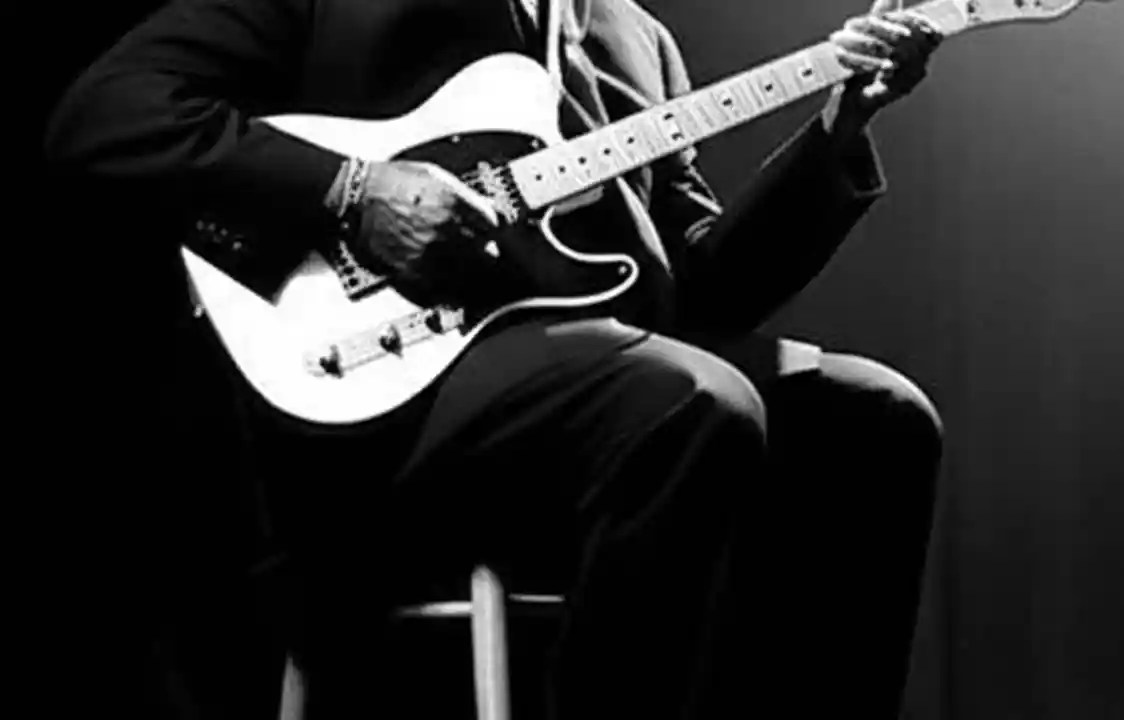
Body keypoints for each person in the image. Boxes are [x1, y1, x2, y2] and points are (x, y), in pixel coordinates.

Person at [44, 0, 945, 717]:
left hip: (615, 398)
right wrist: (356, 191)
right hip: (376, 404)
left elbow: (700, 298)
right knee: (691, 403)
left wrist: (837, 125)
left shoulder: (634, 39)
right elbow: (106, 115)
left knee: (878, 416)